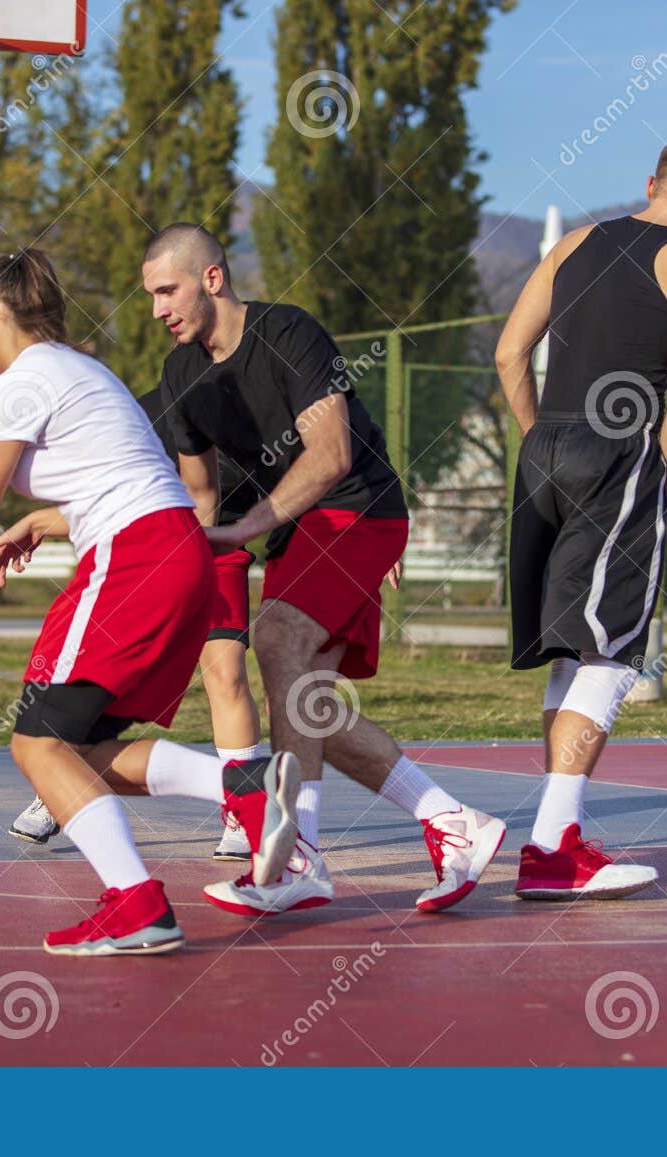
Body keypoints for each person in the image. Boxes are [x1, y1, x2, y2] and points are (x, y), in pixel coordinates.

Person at [0, 248, 301, 955]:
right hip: (174, 551)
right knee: (80, 751)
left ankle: (139, 902)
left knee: (36, 743)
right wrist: (45, 520)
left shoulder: (19, 384)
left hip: (135, 558)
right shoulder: (81, 367)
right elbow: (117, 475)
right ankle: (245, 783)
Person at [143, 223, 505, 916]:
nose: (158, 308)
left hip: (358, 507)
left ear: (212, 279)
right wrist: (183, 546)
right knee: (304, 701)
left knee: (277, 642)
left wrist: (249, 528)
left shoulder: (289, 333)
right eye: (151, 295)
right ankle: (445, 822)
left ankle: (301, 854)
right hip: (299, 529)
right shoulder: (181, 375)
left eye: (168, 289)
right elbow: (199, 495)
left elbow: (333, 453)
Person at [494, 134, 667, 900]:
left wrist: (541, 439)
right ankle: (554, 848)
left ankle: (552, 839)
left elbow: (507, 354)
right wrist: (654, 472)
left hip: (546, 446)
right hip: (617, 453)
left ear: (652, 181)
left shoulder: (574, 243)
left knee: (571, 646)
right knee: (613, 650)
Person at [8, 388, 262, 863]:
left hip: (217, 548)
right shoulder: (141, 410)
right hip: (140, 557)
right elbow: (108, 497)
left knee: (225, 673)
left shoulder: (258, 404)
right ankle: (62, 774)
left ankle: (244, 806)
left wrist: (364, 531)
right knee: (101, 682)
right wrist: (44, 520)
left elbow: (316, 464)